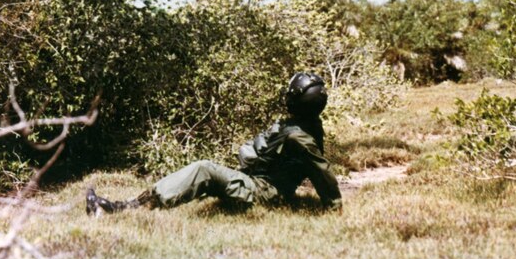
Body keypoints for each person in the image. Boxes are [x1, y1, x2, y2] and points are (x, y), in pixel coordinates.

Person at [85, 72, 342, 216]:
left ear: (298, 101)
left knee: (204, 168)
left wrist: (334, 208)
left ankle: (121, 208)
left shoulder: (300, 136)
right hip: (259, 186)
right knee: (207, 176)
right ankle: (133, 205)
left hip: (263, 194)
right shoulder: (307, 125)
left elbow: (323, 172)